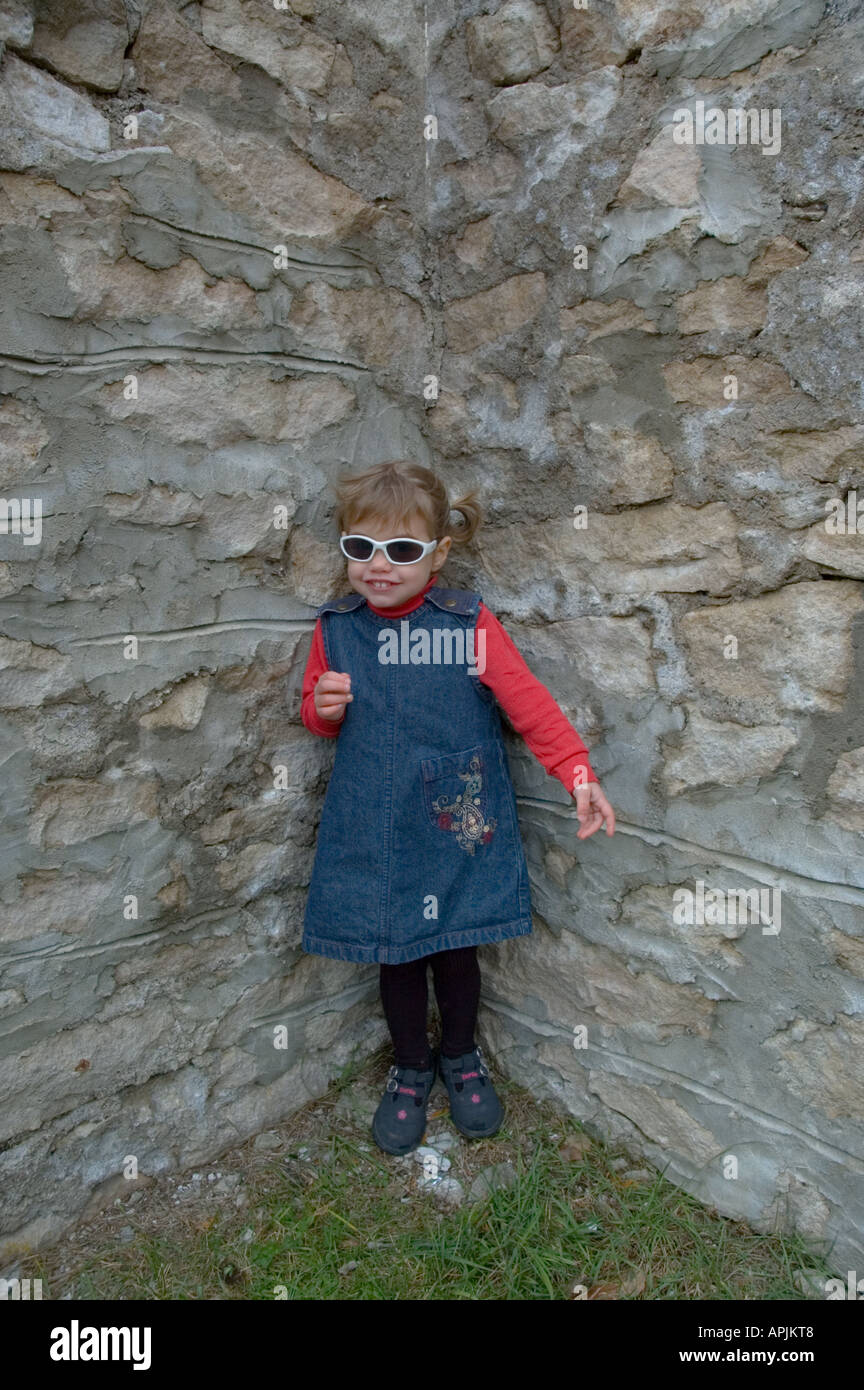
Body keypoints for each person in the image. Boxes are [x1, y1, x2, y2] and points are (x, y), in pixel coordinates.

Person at [300, 460, 615, 1156]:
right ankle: (411, 1067)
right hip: (376, 823)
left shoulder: (468, 623)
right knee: (397, 953)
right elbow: (316, 715)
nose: (379, 567)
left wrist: (577, 770)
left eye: (402, 551)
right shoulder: (336, 628)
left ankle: (462, 1056)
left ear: (438, 554)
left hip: (453, 819)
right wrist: (321, 707)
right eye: (361, 548)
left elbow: (527, 702)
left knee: (455, 945)